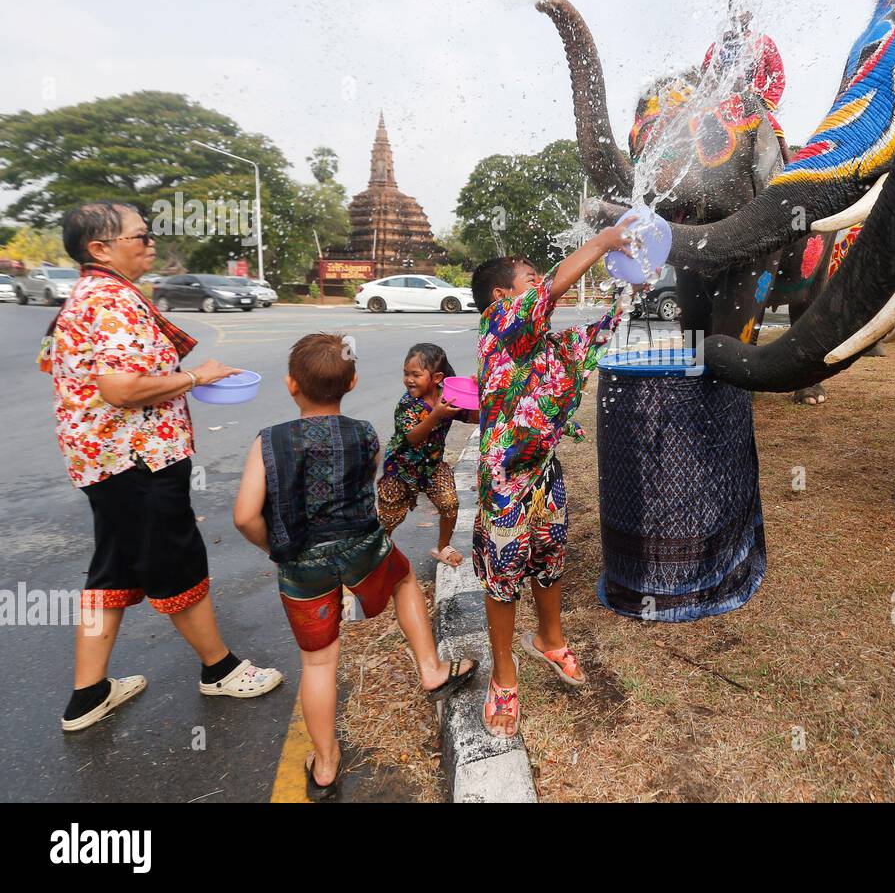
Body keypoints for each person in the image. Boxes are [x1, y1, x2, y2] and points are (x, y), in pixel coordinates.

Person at [44, 201, 282, 733]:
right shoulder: (109, 300)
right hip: (137, 461)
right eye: (140, 236)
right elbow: (121, 388)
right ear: (99, 249)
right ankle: (219, 669)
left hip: (106, 462)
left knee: (112, 567)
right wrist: (197, 377)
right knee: (174, 561)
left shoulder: (93, 294)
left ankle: (89, 694)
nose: (150, 243)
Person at [233, 332, 475, 800]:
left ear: (290, 385)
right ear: (353, 381)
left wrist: (277, 550)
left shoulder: (269, 441)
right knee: (404, 579)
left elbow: (244, 516)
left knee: (319, 663)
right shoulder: (364, 432)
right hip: (363, 549)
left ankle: (324, 767)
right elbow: (364, 486)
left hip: (303, 564)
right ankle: (431, 669)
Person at [470, 218, 635, 738]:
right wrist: (606, 238)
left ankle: (550, 639)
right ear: (502, 296)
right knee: (503, 577)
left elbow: (598, 334)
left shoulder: (548, 349)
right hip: (504, 482)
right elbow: (554, 286)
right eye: (529, 278)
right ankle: (503, 677)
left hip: (545, 474)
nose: (540, 285)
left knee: (549, 562)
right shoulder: (498, 328)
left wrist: (634, 284)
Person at [377, 343, 475, 565]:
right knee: (390, 517)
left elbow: (474, 417)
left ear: (437, 377)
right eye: (406, 374)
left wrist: (482, 391)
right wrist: (436, 415)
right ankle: (377, 556)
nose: (409, 379)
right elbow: (412, 437)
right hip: (400, 469)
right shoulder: (407, 404)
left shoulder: (448, 397)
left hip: (432, 466)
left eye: (416, 374)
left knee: (449, 504)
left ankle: (443, 547)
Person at [701, 0, 789, 161]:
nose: (739, 15)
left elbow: (778, 77)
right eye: (735, 10)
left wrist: (765, 102)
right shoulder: (717, 46)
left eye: (743, 10)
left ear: (750, 15)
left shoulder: (763, 42)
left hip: (752, 104)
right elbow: (705, 77)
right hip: (722, 106)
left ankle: (789, 173)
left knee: (776, 131)